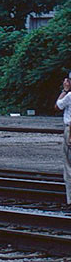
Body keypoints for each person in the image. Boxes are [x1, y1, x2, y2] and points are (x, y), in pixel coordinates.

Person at [57, 75, 71, 210]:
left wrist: (65, 90)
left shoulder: (69, 95)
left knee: (68, 165)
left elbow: (57, 106)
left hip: (70, 129)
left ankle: (70, 199)